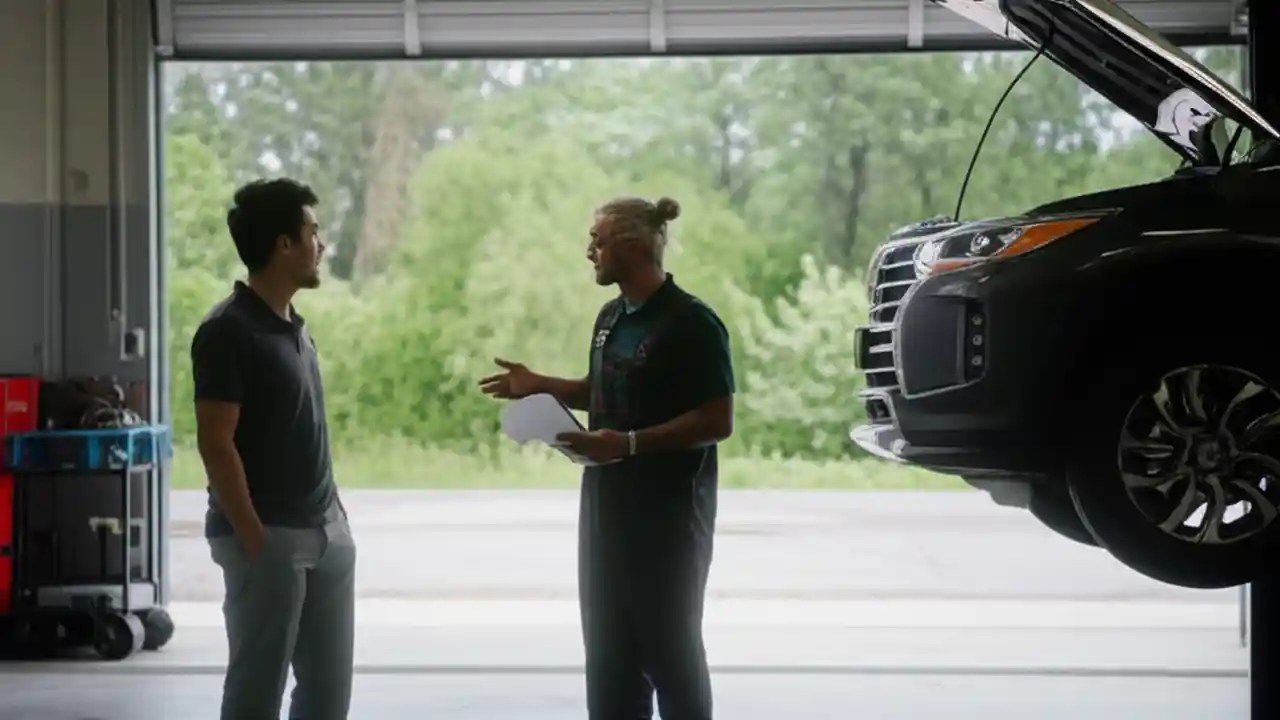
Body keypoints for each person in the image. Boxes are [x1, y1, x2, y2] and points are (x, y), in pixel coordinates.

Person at [480, 195, 735, 720]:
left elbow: (717, 420)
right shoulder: (610, 317)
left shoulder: (692, 323)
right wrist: (538, 386)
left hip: (667, 523)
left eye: (597, 241)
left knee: (671, 653)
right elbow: (601, 392)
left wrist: (628, 443)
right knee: (609, 657)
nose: (588, 251)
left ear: (634, 245)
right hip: (605, 513)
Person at [192, 178, 356, 720]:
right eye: (313, 231)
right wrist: (255, 539)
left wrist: (335, 518)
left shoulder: (295, 329)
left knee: (328, 696)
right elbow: (216, 444)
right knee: (257, 692)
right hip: (269, 539)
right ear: (284, 245)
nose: (321, 244)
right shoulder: (226, 330)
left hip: (326, 531)